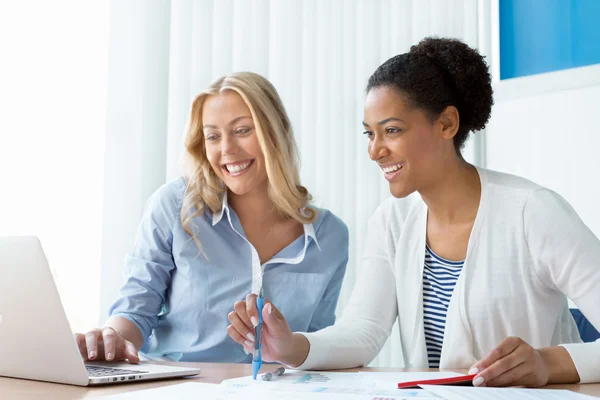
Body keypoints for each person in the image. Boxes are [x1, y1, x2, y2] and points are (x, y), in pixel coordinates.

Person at [227, 38, 600, 387]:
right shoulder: (392, 220)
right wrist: (289, 347)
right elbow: (363, 330)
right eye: (369, 134)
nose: (375, 151)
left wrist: (547, 364)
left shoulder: (532, 213)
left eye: (391, 130)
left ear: (446, 124)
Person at [75, 72, 349, 364]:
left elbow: (317, 345)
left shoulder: (330, 236)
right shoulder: (174, 206)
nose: (227, 149)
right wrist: (112, 339)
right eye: (213, 136)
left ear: (276, 131)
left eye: (242, 130)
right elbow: (135, 311)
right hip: (180, 389)